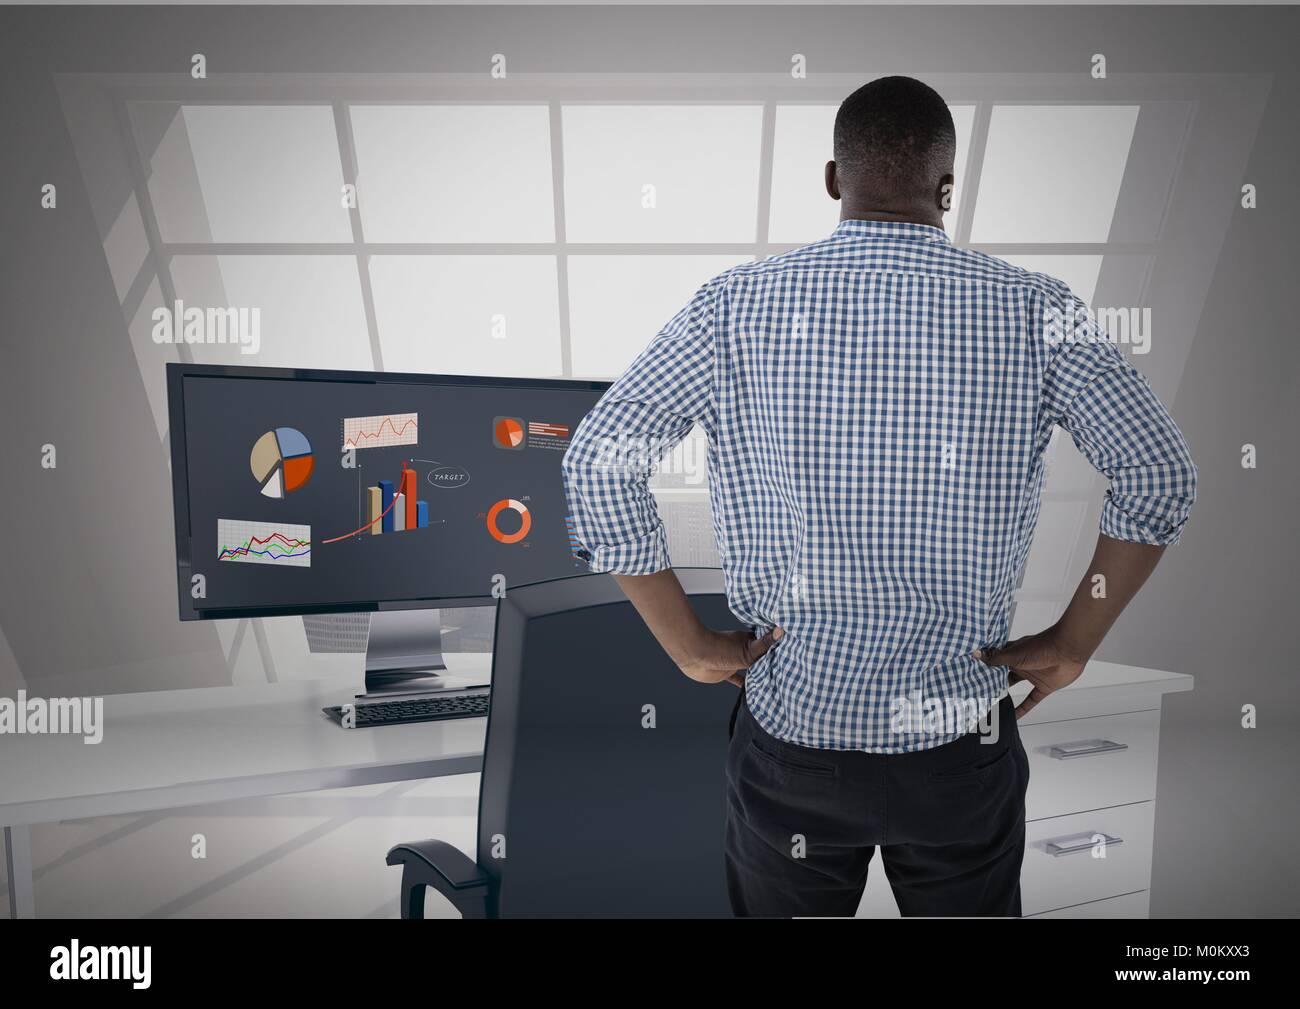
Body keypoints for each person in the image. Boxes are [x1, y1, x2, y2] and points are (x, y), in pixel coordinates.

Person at [561, 76, 1197, 918]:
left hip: (792, 743)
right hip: (958, 753)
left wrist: (690, 648)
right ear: (947, 188)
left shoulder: (732, 304)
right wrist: (1076, 640)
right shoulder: (1039, 308)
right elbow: (1160, 469)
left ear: (834, 180)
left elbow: (599, 460)